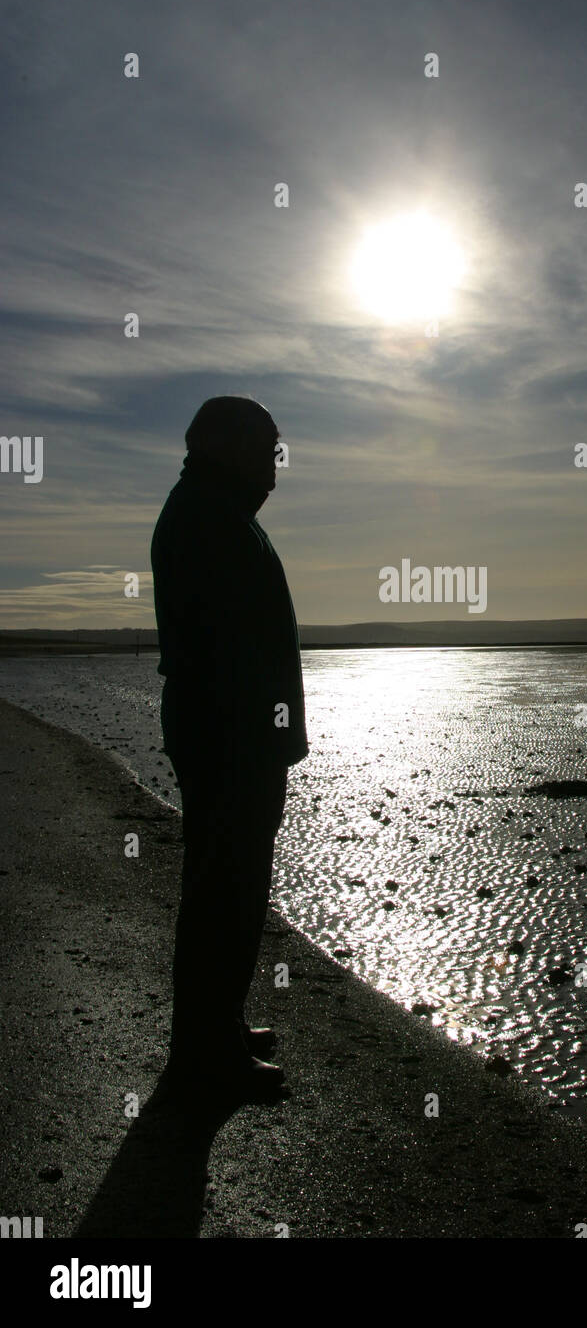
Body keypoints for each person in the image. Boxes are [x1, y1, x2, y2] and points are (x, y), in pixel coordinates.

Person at [150, 395, 308, 1100]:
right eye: (268, 449)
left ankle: (217, 1026)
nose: (277, 465)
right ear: (228, 446)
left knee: (232, 889)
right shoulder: (207, 518)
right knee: (226, 890)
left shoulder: (219, 512)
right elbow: (221, 650)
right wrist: (260, 736)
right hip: (227, 737)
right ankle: (205, 1054)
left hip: (236, 735)